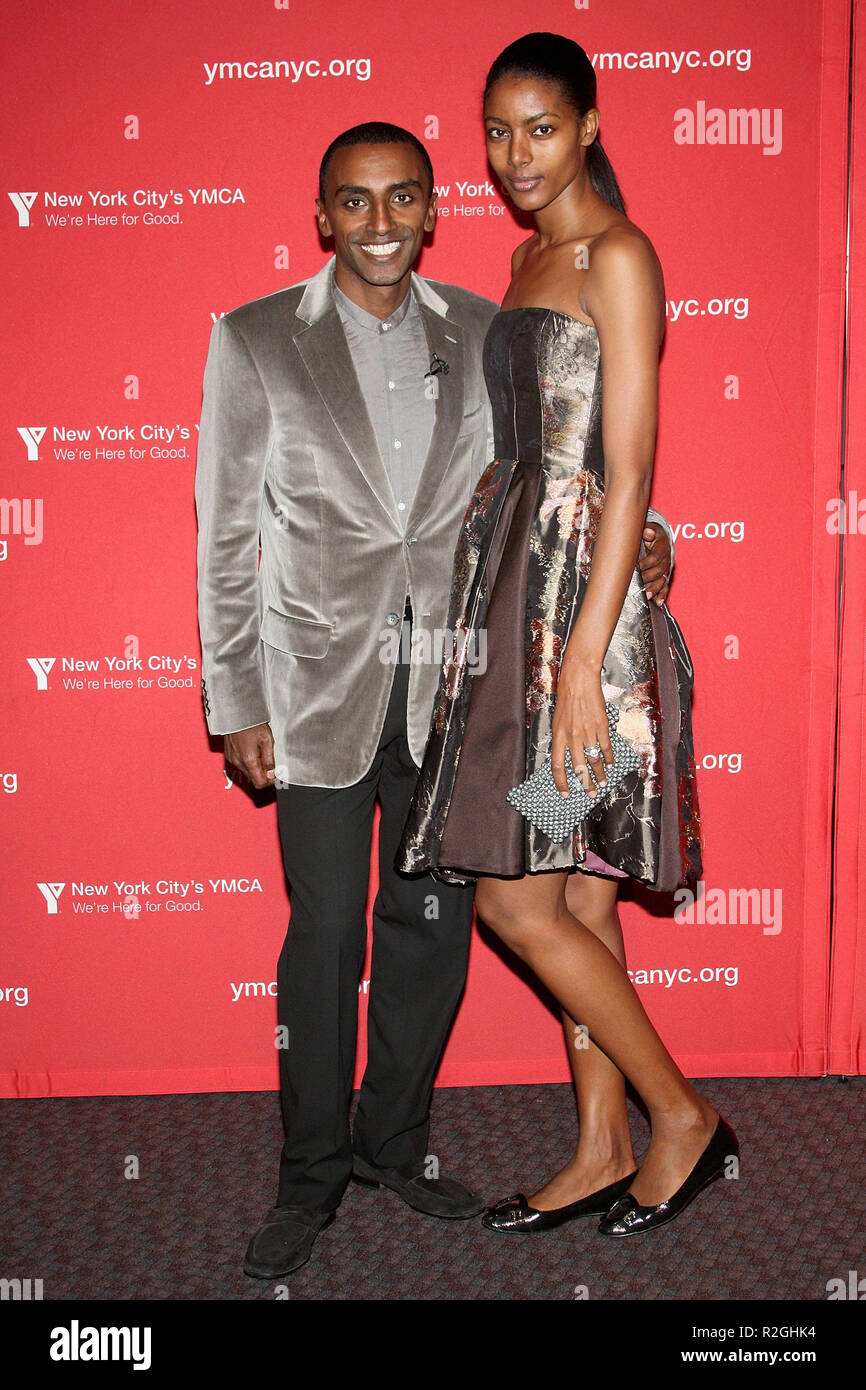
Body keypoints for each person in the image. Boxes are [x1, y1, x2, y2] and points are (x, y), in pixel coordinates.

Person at [195, 120, 676, 1278]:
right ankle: (309, 1175)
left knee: (428, 931)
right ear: (323, 217)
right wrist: (234, 696)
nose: (377, 223)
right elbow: (224, 538)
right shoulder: (254, 338)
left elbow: (555, 458)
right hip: (315, 687)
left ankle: (395, 1145)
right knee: (325, 938)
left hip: (462, 676)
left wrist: (645, 535)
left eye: (400, 198)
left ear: (428, 210)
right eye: (353, 203)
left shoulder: (479, 322)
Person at [395, 35, 738, 1237]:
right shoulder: (528, 253)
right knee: (577, 904)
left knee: (517, 904)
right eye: (494, 131)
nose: (512, 155)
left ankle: (681, 1118)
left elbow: (629, 465)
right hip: (516, 603)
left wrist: (585, 666)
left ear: (589, 125)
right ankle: (599, 1144)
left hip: (575, 637)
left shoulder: (617, 256)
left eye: (538, 128)